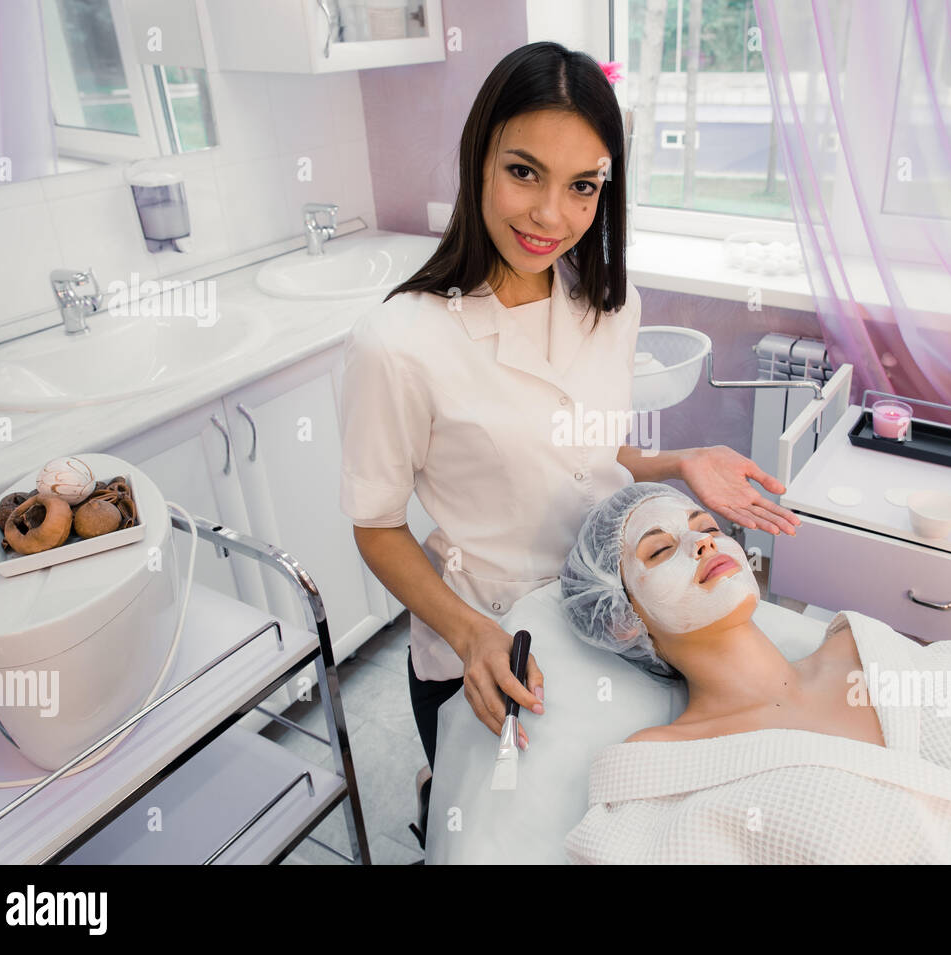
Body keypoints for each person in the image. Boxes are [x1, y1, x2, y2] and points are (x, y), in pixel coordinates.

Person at [338, 42, 800, 842]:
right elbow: (376, 525)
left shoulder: (611, 309)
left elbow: (591, 450)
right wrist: (470, 629)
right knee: (474, 819)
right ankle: (428, 794)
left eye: (582, 186)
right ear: (477, 158)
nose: (552, 216)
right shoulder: (398, 341)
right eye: (524, 173)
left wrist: (674, 462)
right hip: (481, 639)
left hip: (606, 619)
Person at [558, 482, 951, 864]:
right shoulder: (662, 768)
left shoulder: (879, 651)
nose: (702, 540)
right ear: (624, 618)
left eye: (705, 525)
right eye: (662, 548)